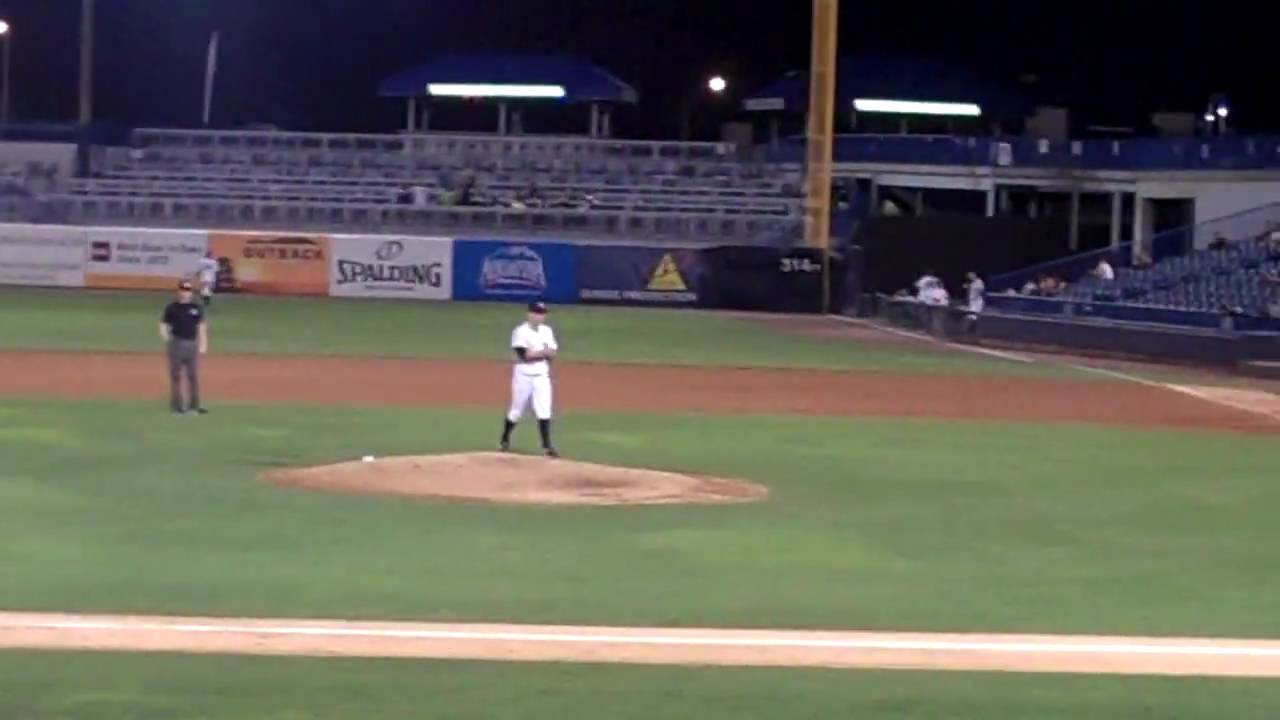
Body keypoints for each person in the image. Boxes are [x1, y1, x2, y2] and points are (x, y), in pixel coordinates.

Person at [500, 300, 559, 457]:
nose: (540, 316)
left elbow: (553, 353)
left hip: (542, 376)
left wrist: (537, 353)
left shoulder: (547, 331)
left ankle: (547, 447)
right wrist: (543, 352)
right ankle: (505, 438)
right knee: (516, 410)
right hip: (523, 376)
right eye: (537, 313)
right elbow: (524, 355)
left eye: (542, 313)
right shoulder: (520, 331)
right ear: (529, 314)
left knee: (544, 410)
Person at [160, 280, 208, 415]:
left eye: (188, 290)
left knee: (193, 376)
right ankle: (177, 407)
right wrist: (167, 338)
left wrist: (203, 343)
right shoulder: (172, 308)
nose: (185, 293)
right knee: (176, 376)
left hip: (191, 344)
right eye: (183, 290)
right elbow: (163, 324)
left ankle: (194, 407)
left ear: (191, 293)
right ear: (178, 291)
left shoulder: (196, 308)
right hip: (176, 343)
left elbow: (201, 327)